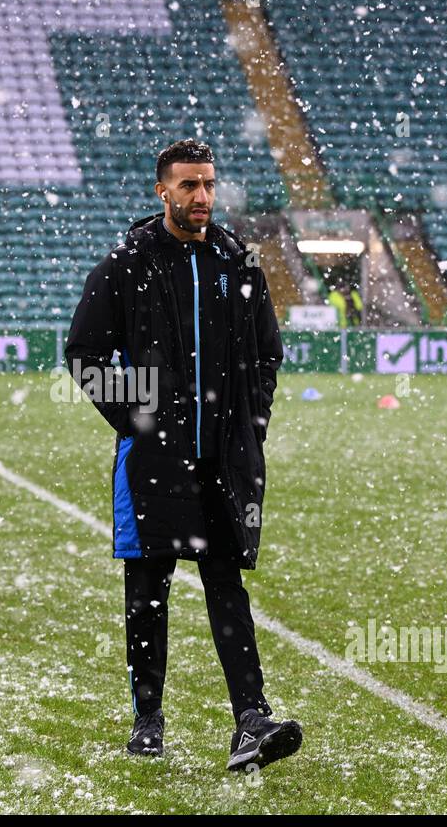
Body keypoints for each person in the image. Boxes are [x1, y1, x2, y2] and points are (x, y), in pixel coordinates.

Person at [65, 139, 302, 771]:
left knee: (227, 585)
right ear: (161, 191)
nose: (201, 197)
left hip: (221, 462)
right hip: (154, 463)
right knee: (148, 591)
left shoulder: (237, 259)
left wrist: (250, 426)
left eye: (208, 185)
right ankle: (148, 720)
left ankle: (250, 721)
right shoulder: (128, 262)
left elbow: (267, 354)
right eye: (188, 186)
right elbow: (84, 357)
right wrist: (139, 418)